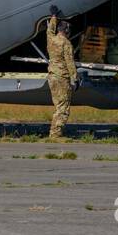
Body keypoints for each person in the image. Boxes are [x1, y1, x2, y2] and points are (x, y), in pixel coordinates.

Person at [46, 9, 78, 140]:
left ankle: (54, 132)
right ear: (67, 31)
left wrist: (54, 17)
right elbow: (70, 62)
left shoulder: (51, 39)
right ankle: (55, 134)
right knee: (63, 107)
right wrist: (74, 79)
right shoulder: (66, 43)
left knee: (57, 105)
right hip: (62, 77)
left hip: (52, 75)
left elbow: (49, 30)